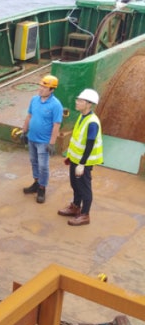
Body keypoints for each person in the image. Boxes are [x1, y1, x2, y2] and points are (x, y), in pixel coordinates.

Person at [58, 89, 103, 226]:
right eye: (77, 100)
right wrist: (70, 157)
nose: (77, 102)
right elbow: (77, 140)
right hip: (75, 159)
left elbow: (89, 145)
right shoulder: (82, 116)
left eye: (80, 101)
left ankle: (85, 215)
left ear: (89, 104)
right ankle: (75, 206)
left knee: (84, 188)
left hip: (84, 162)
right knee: (75, 184)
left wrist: (82, 164)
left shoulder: (92, 122)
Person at [21, 75, 63, 204]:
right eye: (40, 86)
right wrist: (24, 131)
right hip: (32, 138)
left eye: (44, 87)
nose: (40, 89)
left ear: (52, 90)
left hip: (44, 142)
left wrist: (52, 143)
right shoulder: (34, 99)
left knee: (43, 166)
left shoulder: (56, 105)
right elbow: (29, 116)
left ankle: (42, 188)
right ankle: (36, 182)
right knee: (34, 161)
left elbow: (56, 125)